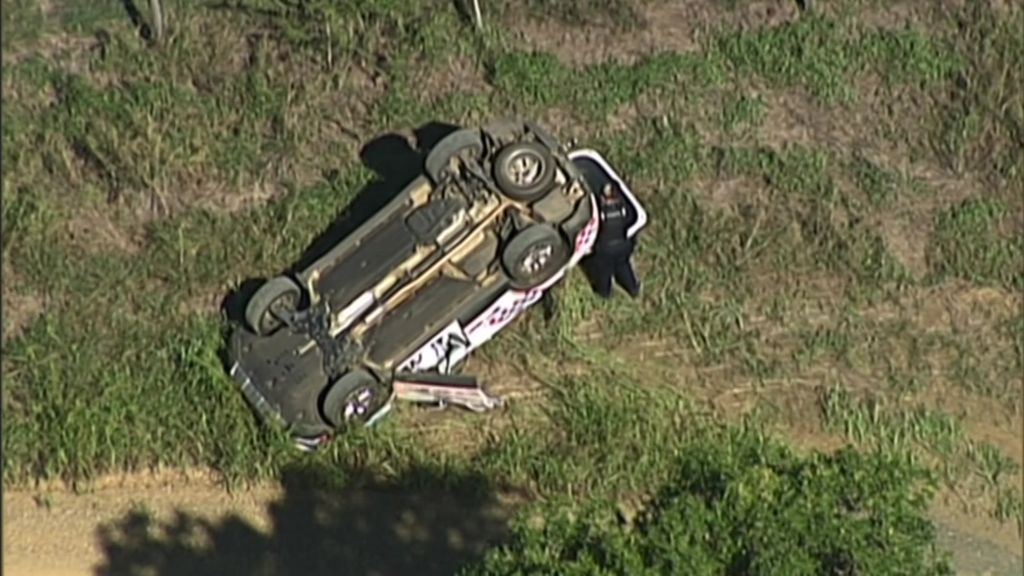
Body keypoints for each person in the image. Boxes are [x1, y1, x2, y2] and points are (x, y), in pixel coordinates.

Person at [585, 182, 641, 299]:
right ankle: (632, 288)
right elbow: (629, 222)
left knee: (603, 272)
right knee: (623, 267)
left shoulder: (600, 213)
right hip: (623, 246)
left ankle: (604, 292)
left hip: (605, 250)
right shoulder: (623, 209)